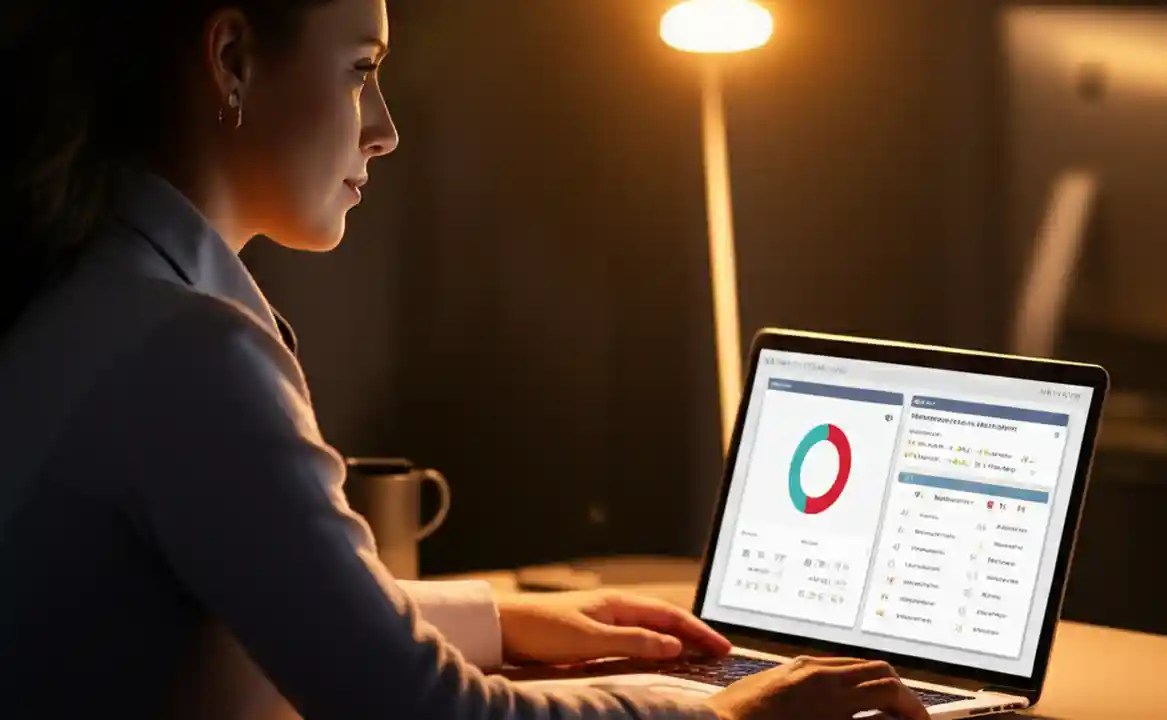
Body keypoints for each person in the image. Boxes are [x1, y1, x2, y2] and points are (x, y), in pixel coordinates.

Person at [0, 1, 929, 719]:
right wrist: (726, 713)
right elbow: (419, 710)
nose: (386, 128)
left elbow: (273, 603)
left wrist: (502, 621)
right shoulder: (186, 350)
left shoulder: (99, 290)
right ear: (233, 61)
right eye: (361, 70)